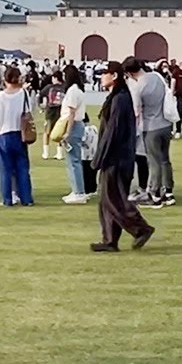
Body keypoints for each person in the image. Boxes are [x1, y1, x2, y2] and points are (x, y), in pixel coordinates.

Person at [90, 61, 155, 253]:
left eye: (105, 74)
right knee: (107, 201)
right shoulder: (117, 97)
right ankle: (110, 240)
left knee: (114, 200)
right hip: (116, 157)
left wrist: (99, 158)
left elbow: (113, 133)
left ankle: (141, 228)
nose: (102, 77)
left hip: (117, 159)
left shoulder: (120, 99)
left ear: (115, 76)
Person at [125, 57, 175, 208]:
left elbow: (137, 111)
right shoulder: (157, 77)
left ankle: (154, 194)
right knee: (165, 159)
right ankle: (168, 191)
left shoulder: (137, 87)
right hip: (165, 123)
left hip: (151, 126)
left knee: (154, 161)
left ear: (129, 73)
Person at [0, 67, 34, 207]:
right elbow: (28, 112)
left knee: (5, 169)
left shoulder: (1, 96)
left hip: (4, 134)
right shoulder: (23, 93)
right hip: (19, 133)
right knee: (22, 168)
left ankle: (7, 198)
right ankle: (26, 198)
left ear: (5, 79)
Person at [58, 64, 90, 205]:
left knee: (74, 160)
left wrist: (67, 132)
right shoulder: (78, 90)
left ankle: (79, 192)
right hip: (78, 124)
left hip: (73, 125)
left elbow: (71, 113)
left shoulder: (72, 91)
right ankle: (77, 190)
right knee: (73, 160)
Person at [39, 70, 66, 160]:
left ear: (55, 78)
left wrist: (41, 106)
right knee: (60, 132)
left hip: (50, 112)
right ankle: (59, 153)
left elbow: (40, 95)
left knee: (47, 132)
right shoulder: (65, 87)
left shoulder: (49, 87)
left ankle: (45, 153)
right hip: (61, 112)